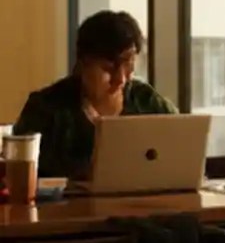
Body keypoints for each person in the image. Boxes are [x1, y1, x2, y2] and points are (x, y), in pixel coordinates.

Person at [13, 10, 176, 179]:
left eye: (129, 65)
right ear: (83, 64)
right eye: (108, 68)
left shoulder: (147, 102)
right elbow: (20, 175)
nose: (120, 79)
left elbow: (181, 144)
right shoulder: (45, 109)